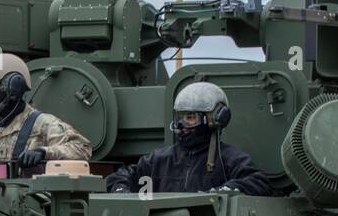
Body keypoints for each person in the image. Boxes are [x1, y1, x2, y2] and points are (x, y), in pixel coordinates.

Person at [105, 82, 273, 196]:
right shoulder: (158, 160)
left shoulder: (229, 159)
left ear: (215, 119)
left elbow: (258, 181)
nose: (181, 124)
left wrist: (224, 192)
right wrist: (120, 189)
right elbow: (122, 176)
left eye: (190, 117)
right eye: (180, 117)